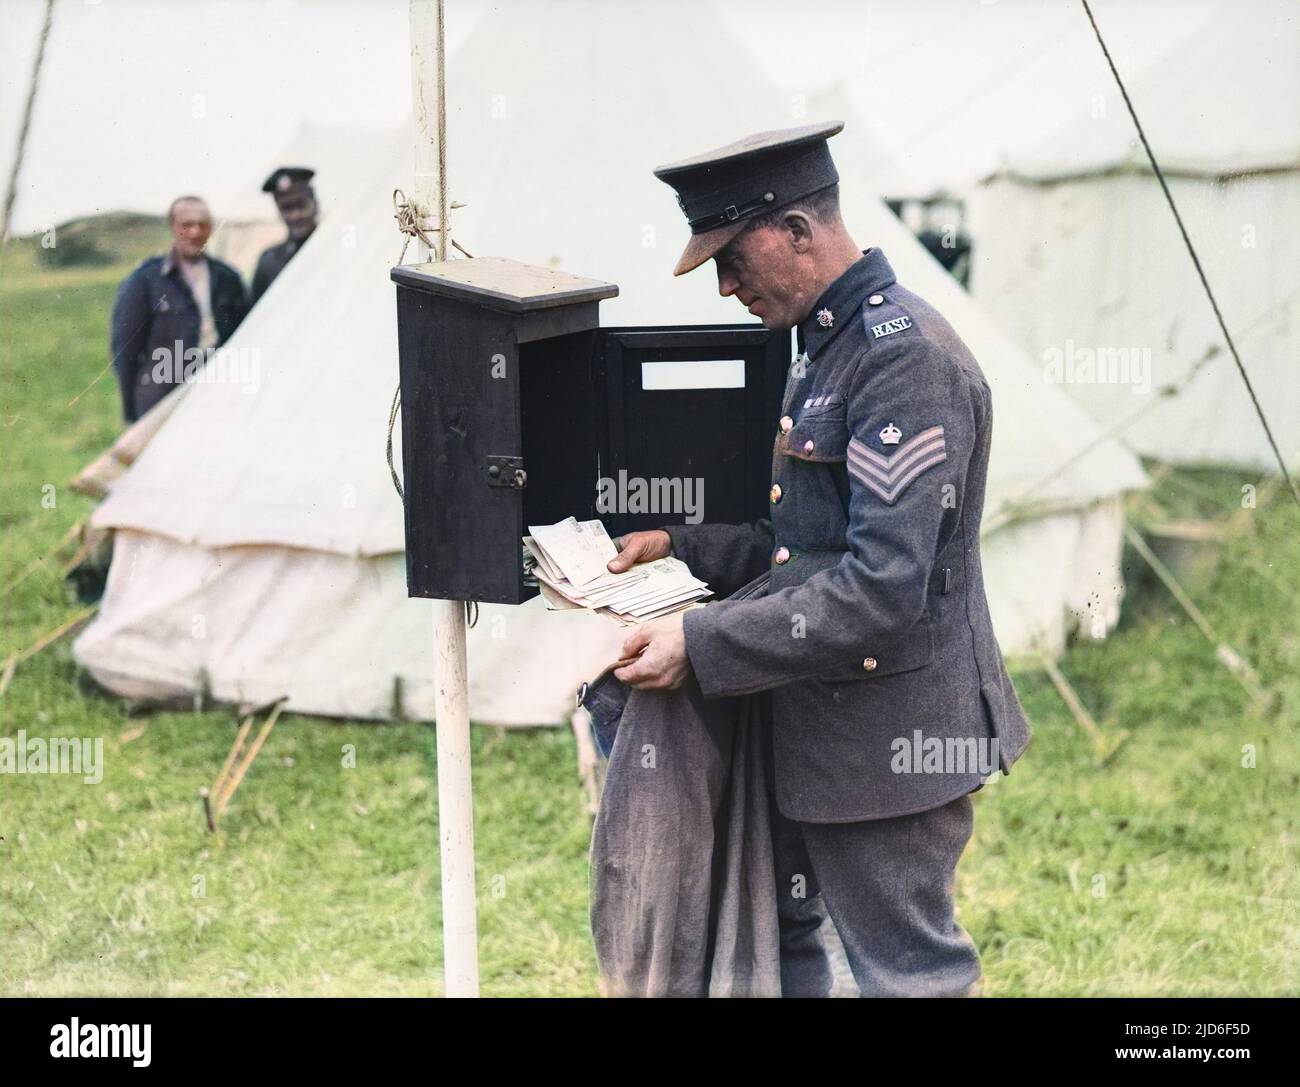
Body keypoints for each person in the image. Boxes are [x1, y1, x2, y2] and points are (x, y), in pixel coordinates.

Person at [590, 121, 1031, 997]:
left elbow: (879, 588)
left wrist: (701, 642)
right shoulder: (826, 348)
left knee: (910, 973)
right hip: (826, 732)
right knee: (793, 952)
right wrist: (681, 544)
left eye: (732, 258)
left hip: (895, 745)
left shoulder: (900, 359)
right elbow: (803, 548)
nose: (724, 287)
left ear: (797, 229)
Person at [110, 195, 247, 422]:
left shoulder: (227, 278)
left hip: (216, 396)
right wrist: (132, 411)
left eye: (202, 225)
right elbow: (125, 350)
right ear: (173, 227)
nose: (195, 233)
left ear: (211, 228)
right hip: (162, 399)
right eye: (187, 225)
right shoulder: (145, 280)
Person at [250, 166, 318, 304]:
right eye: (287, 208)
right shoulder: (269, 261)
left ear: (314, 203)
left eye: (301, 205)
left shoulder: (335, 247)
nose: (296, 216)